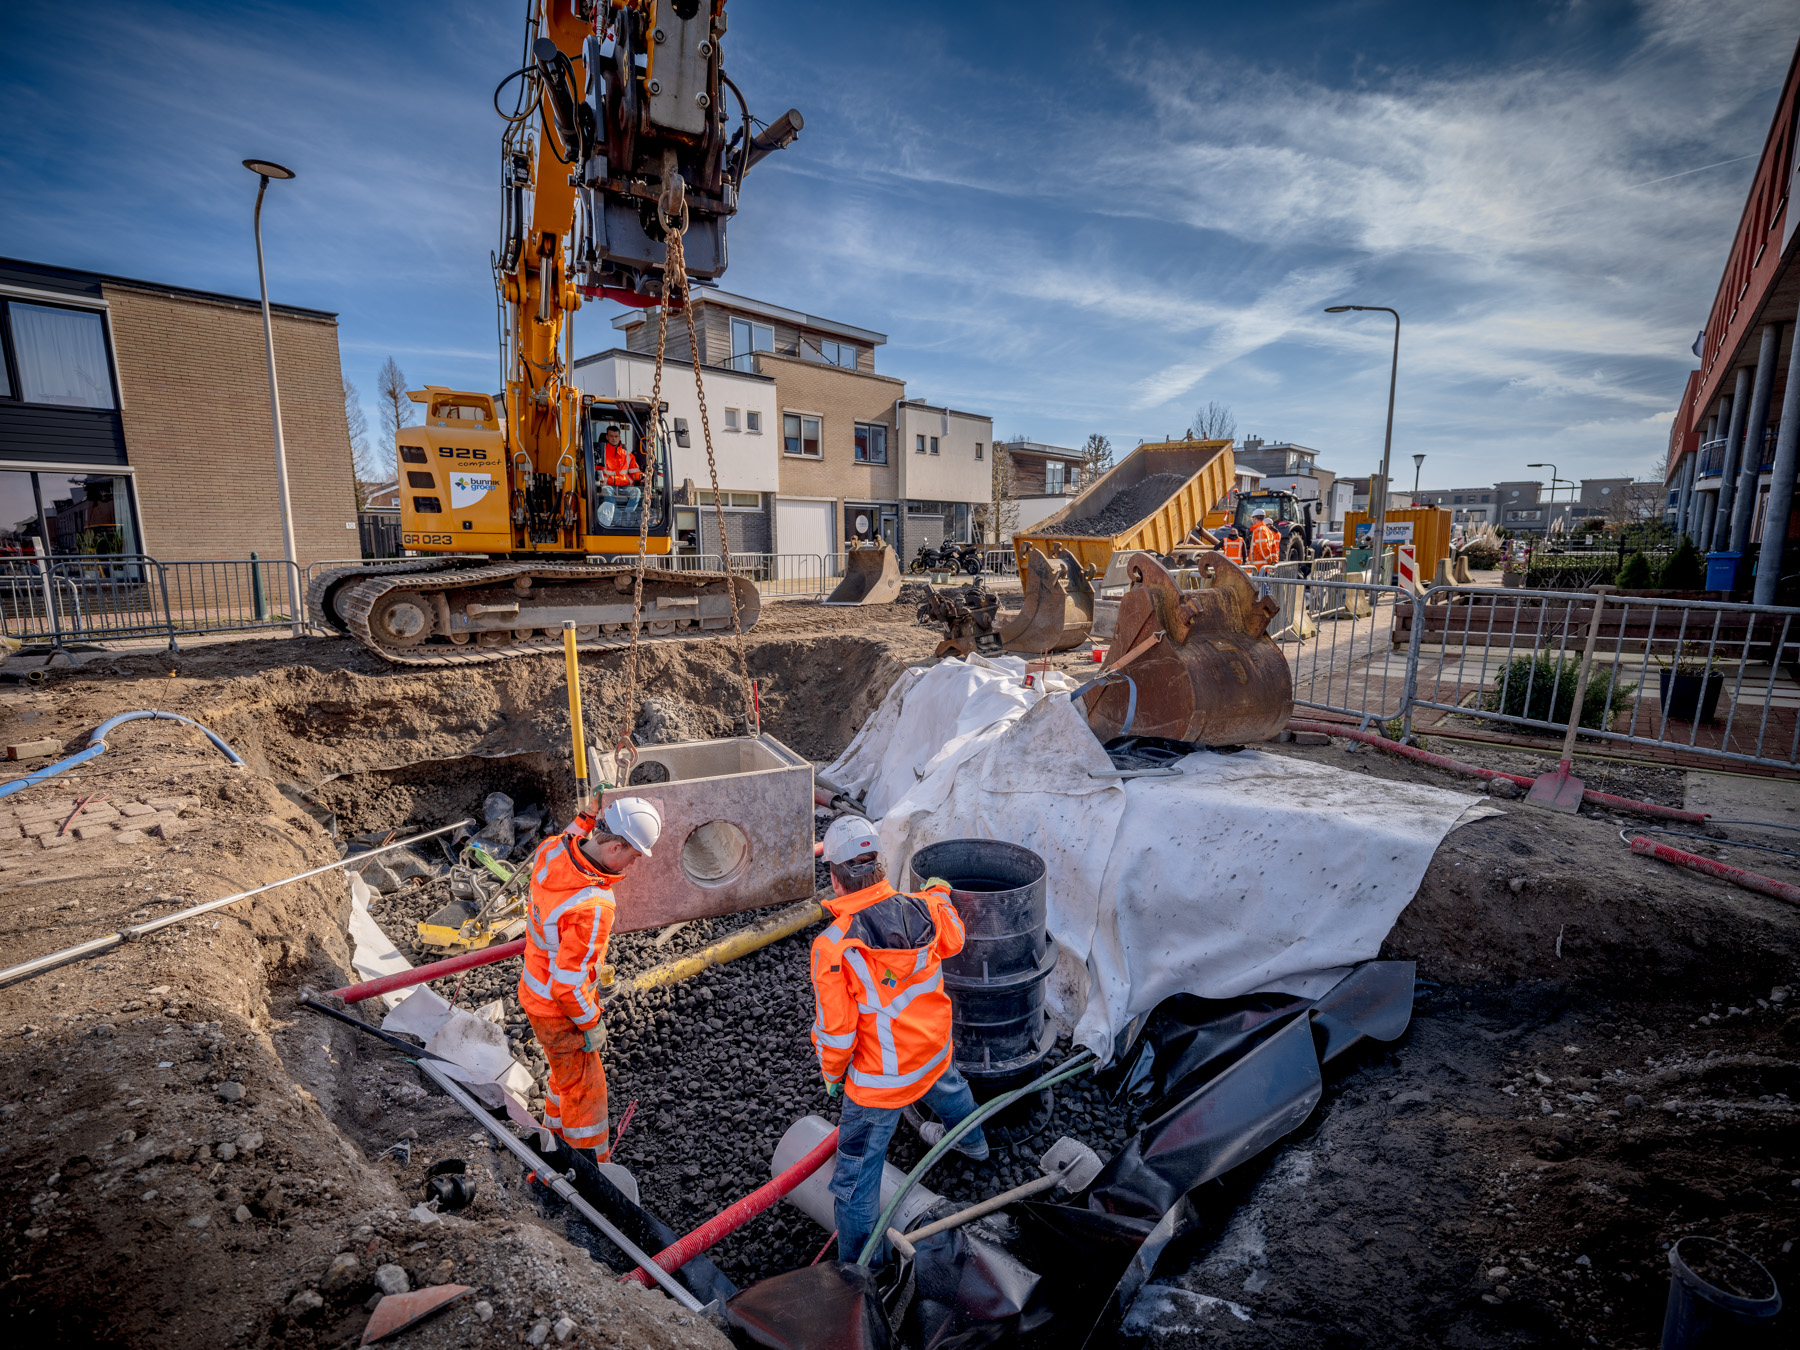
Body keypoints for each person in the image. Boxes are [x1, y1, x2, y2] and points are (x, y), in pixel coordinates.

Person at [810, 816, 989, 1265]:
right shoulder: (924, 909)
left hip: (881, 1081)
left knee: (856, 1178)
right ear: (881, 865)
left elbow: (838, 1033)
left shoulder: (835, 947)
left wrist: (832, 1073)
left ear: (835, 878)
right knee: (952, 1093)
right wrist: (940, 893)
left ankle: (859, 1269)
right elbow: (954, 937)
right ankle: (974, 1145)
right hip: (933, 1050)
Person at [517, 794, 662, 1163]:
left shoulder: (552, 851)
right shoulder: (593, 906)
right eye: (633, 855)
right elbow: (567, 985)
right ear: (614, 847)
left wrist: (586, 815)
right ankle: (590, 1168)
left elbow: (570, 837)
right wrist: (592, 1022)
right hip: (559, 1011)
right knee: (586, 1092)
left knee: (564, 1077)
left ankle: (551, 1144)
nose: (634, 863)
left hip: (533, 991)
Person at [597, 424, 644, 528]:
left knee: (636, 491)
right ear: (607, 437)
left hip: (624, 486)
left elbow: (635, 471)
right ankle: (617, 518)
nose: (614, 439)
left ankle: (627, 518)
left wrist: (641, 476)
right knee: (606, 490)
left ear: (619, 437)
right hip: (608, 485)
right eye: (611, 436)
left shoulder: (628, 455)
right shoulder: (601, 454)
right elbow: (596, 471)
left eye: (616, 436)